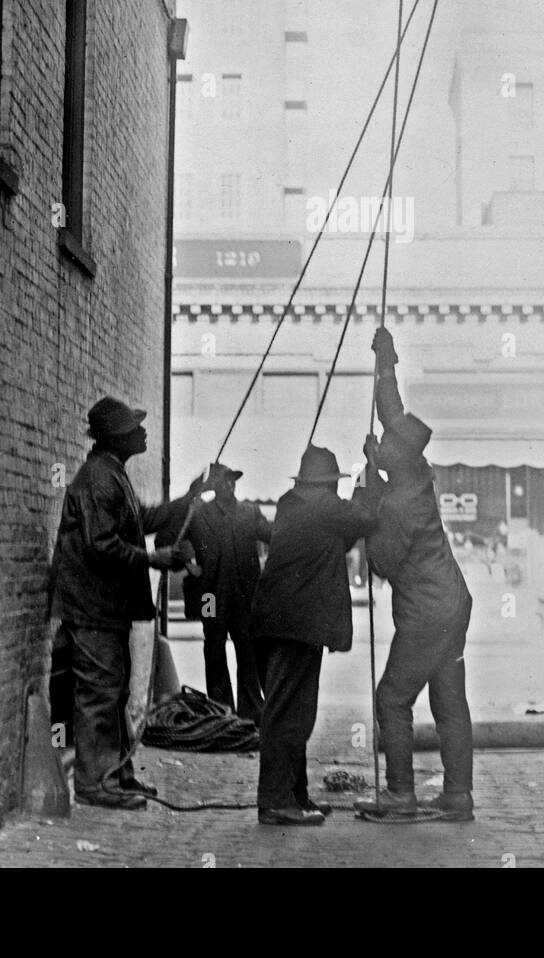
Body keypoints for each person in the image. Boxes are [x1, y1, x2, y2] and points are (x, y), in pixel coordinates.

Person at [355, 326, 475, 822]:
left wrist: (367, 495)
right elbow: (392, 411)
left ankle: (400, 796)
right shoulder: (414, 474)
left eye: (385, 443)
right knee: (448, 701)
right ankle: (457, 796)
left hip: (426, 614)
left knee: (392, 698)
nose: (381, 440)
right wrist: (386, 358)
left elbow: (380, 563)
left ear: (397, 457)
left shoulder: (401, 503)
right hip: (453, 604)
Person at [49, 397, 192, 809]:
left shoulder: (113, 473)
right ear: (117, 436)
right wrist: (154, 558)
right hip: (91, 608)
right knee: (98, 693)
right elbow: (101, 544)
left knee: (112, 692)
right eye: (136, 427)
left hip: (107, 608)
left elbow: (142, 521)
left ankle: (118, 774)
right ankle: (96, 784)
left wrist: (190, 496)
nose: (143, 432)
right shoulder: (99, 478)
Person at [249, 445, 377, 826]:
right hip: (295, 625)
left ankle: (295, 795)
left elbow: (342, 532)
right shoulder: (326, 507)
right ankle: (275, 801)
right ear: (326, 484)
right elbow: (364, 518)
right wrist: (367, 473)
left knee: (292, 711)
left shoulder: (291, 503)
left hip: (277, 621)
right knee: (288, 714)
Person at [181, 461, 272, 724]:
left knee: (248, 651)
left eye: (233, 480)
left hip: (244, 595)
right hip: (211, 595)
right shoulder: (198, 514)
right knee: (214, 649)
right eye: (224, 480)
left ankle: (252, 710)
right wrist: (190, 562)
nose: (230, 485)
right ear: (214, 485)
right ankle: (222, 710)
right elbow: (176, 537)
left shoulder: (249, 512)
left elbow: (273, 535)